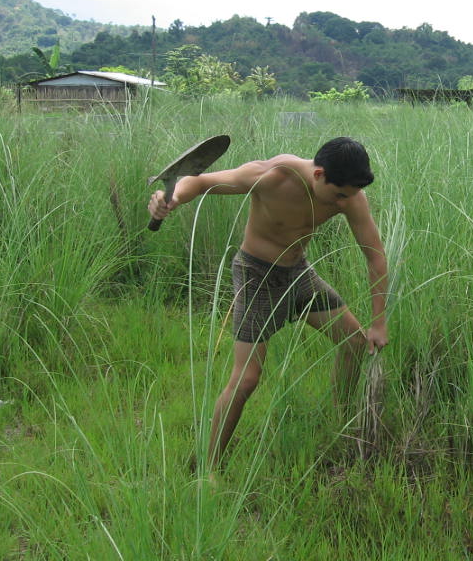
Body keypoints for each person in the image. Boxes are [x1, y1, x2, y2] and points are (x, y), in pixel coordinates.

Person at [147, 136, 388, 470]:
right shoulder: (272, 175)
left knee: (355, 342)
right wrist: (171, 198)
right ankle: (208, 467)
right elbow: (200, 182)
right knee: (247, 378)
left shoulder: (352, 197)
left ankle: (341, 422)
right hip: (255, 276)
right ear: (319, 175)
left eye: (349, 195)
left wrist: (378, 322)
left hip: (298, 274)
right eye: (339, 195)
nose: (344, 202)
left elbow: (375, 257)